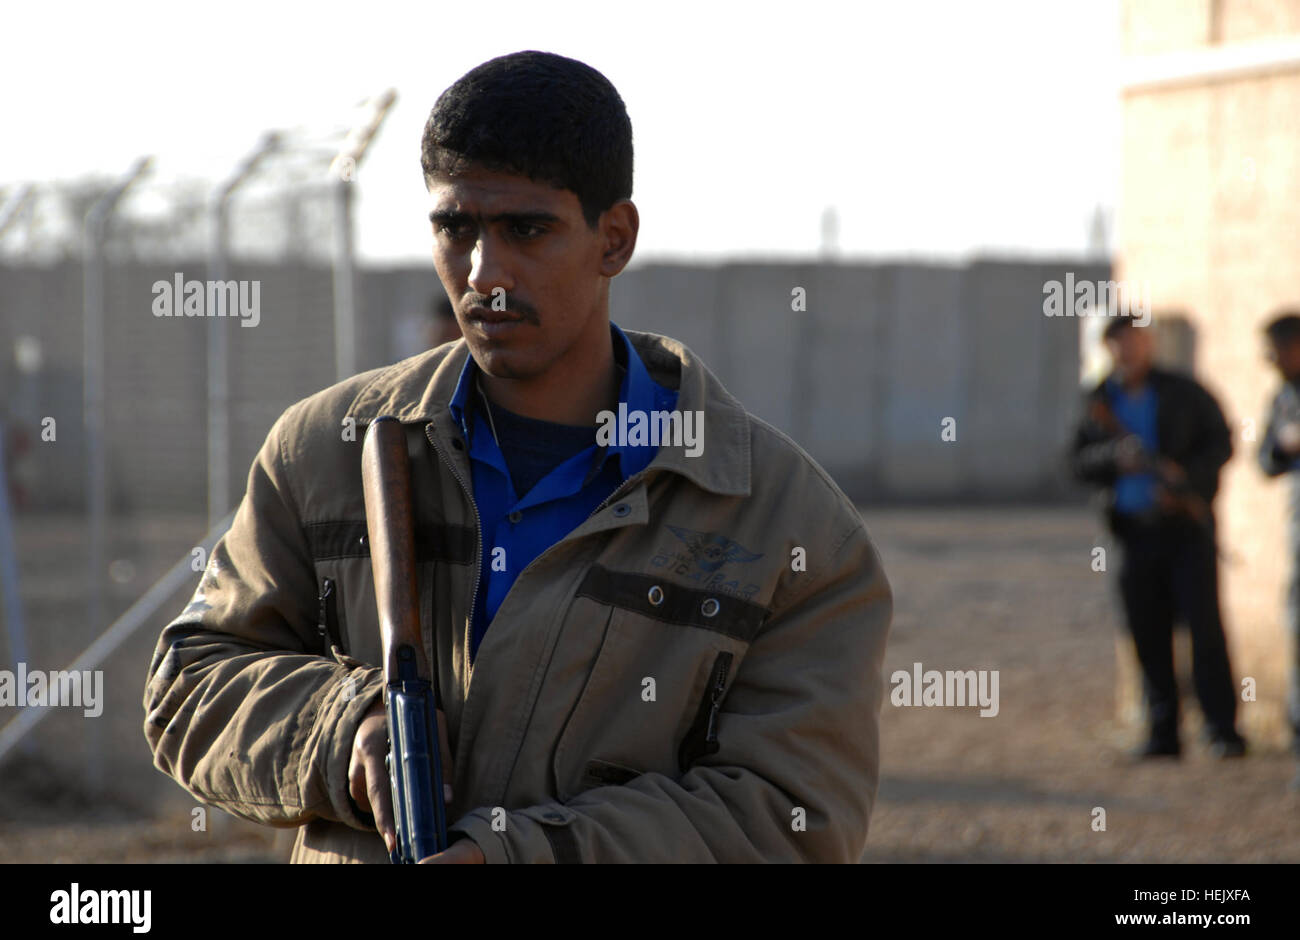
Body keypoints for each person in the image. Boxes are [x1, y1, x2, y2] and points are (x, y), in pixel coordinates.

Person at [142, 51, 892, 863]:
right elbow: (190, 684)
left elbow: (789, 816)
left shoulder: (787, 528)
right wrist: (346, 729)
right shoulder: (327, 452)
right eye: (455, 227)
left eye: (526, 230)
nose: (484, 274)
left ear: (615, 238)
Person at [1070, 315, 1244, 760]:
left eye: (1138, 341)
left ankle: (1222, 730)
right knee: (1147, 633)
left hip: (1185, 530)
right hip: (1133, 533)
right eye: (1123, 343)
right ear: (1110, 347)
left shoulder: (1183, 391)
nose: (1132, 350)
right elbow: (1077, 463)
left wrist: (1187, 481)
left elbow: (1221, 442)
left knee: (1204, 630)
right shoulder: (1099, 401)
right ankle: (1163, 733)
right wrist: (1114, 458)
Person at [1256, 311, 1300, 791]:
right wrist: (1286, 449)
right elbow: (1265, 460)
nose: (1273, 360)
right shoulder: (1283, 399)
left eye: (1280, 348)